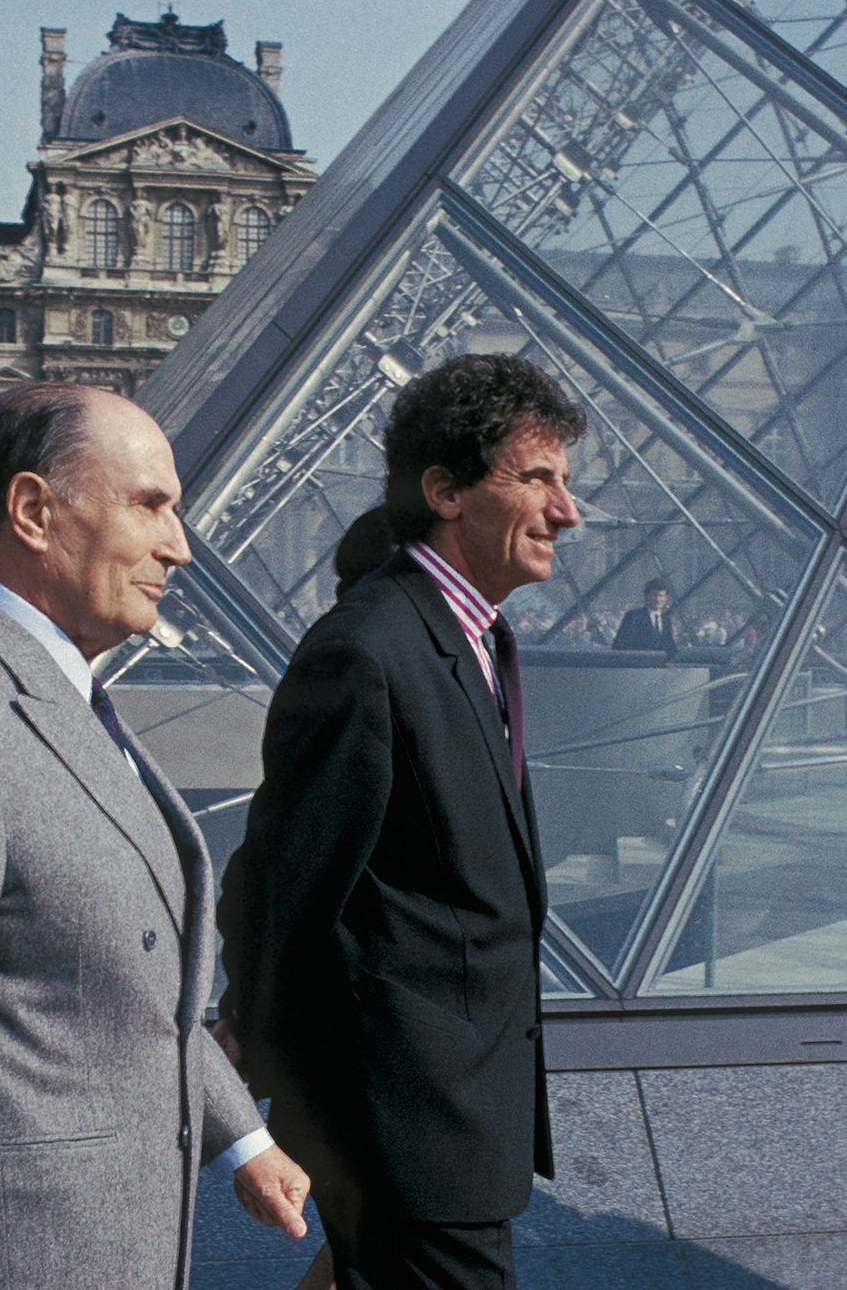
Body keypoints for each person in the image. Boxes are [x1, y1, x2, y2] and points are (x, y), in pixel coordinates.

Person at [0, 381, 309, 1289]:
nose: (179, 546)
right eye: (149, 505)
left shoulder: (56, 689)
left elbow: (123, 987)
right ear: (34, 510)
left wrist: (243, 1137)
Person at [219, 353, 582, 1289]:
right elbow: (285, 879)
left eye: (564, 482)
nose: (565, 512)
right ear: (444, 491)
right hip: (404, 1127)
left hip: (450, 1114)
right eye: (537, 478)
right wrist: (250, 1081)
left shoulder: (475, 636)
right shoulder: (367, 650)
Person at [611, 576, 679, 655]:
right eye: (654, 595)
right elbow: (620, 646)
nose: (657, 599)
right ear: (646, 595)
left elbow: (670, 647)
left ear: (666, 598)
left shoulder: (666, 620)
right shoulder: (633, 617)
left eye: (661, 596)